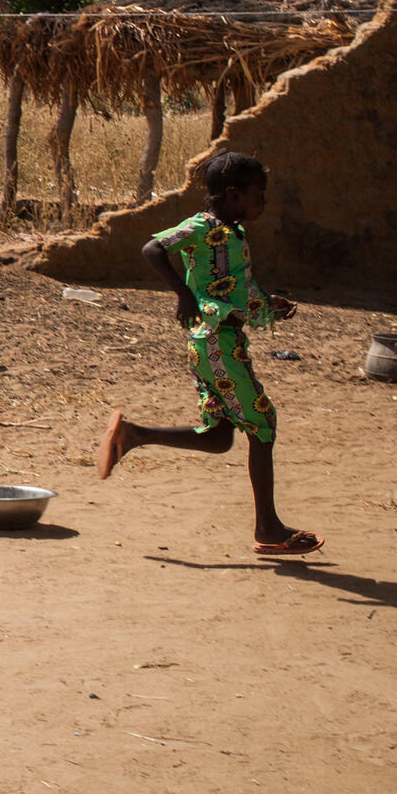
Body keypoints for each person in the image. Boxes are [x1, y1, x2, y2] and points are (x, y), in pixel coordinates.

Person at [97, 151, 321, 557]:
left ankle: (134, 434)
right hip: (217, 344)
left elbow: (230, 288)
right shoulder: (202, 226)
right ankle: (268, 528)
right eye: (259, 194)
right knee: (263, 424)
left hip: (219, 343)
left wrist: (270, 305)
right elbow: (152, 248)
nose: (263, 203)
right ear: (234, 194)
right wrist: (182, 293)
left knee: (219, 438)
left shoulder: (232, 232)